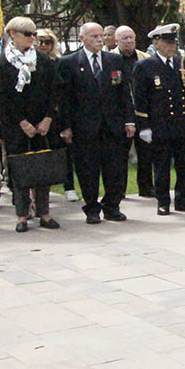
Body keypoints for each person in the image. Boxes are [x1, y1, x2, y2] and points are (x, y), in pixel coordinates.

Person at [0, 16, 61, 232]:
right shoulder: (1, 63)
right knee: (19, 170)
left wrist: (47, 118)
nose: (32, 38)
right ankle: (21, 214)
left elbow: (54, 91)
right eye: (27, 34)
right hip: (16, 125)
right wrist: (22, 122)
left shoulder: (42, 61)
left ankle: (44, 213)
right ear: (13, 34)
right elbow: (1, 99)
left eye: (33, 34)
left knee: (42, 168)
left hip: (41, 123)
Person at [58, 21, 135, 224]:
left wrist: (129, 120)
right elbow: (64, 98)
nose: (99, 40)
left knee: (115, 169)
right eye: (94, 36)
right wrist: (65, 126)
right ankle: (91, 208)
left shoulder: (114, 60)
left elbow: (124, 93)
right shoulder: (70, 62)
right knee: (88, 170)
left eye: (102, 36)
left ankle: (112, 206)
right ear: (82, 38)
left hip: (112, 125)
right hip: (84, 127)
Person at [132, 24, 185, 216]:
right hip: (159, 124)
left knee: (184, 165)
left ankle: (183, 199)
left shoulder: (182, 63)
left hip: (181, 123)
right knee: (161, 166)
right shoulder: (145, 66)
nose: (171, 47)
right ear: (156, 43)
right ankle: (163, 201)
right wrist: (144, 126)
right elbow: (141, 99)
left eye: (173, 43)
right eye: (167, 42)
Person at [36, 28, 77, 201]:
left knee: (63, 151)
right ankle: (39, 190)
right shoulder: (28, 62)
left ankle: (69, 187)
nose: (43, 45)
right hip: (36, 114)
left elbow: (65, 93)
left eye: (48, 42)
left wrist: (65, 122)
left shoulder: (59, 63)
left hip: (57, 113)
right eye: (40, 41)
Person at [113, 25, 155, 198]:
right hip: (121, 114)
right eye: (125, 38)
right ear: (116, 41)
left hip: (142, 112)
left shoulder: (145, 58)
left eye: (131, 38)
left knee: (146, 152)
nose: (129, 42)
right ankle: (119, 189)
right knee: (120, 155)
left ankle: (146, 187)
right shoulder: (111, 59)